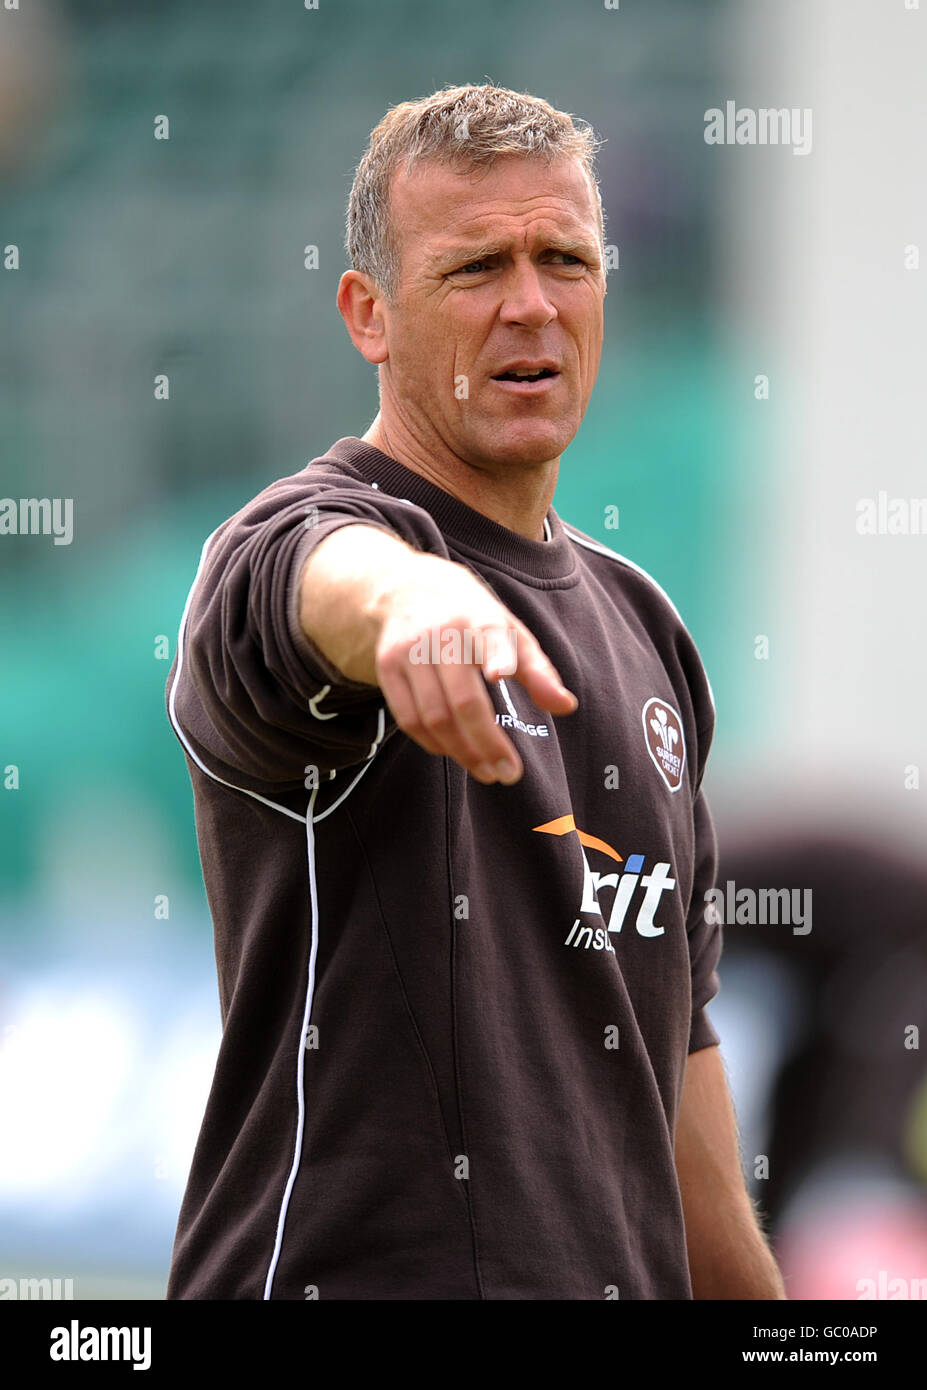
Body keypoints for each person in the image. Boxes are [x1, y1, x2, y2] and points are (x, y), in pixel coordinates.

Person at [164, 83, 785, 1300]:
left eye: (564, 257)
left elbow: (673, 1072)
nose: (531, 303)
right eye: (474, 268)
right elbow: (321, 578)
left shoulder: (645, 628)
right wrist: (412, 606)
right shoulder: (295, 544)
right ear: (369, 314)